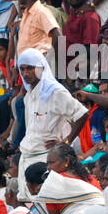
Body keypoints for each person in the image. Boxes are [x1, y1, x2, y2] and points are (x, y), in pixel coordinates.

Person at [15, 48, 89, 202]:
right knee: (26, 201)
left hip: (45, 156)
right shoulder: (28, 95)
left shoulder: (55, 92)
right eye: (22, 69)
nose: (26, 73)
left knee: (44, 202)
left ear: (41, 68)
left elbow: (82, 113)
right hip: (28, 153)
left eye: (30, 68)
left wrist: (66, 141)